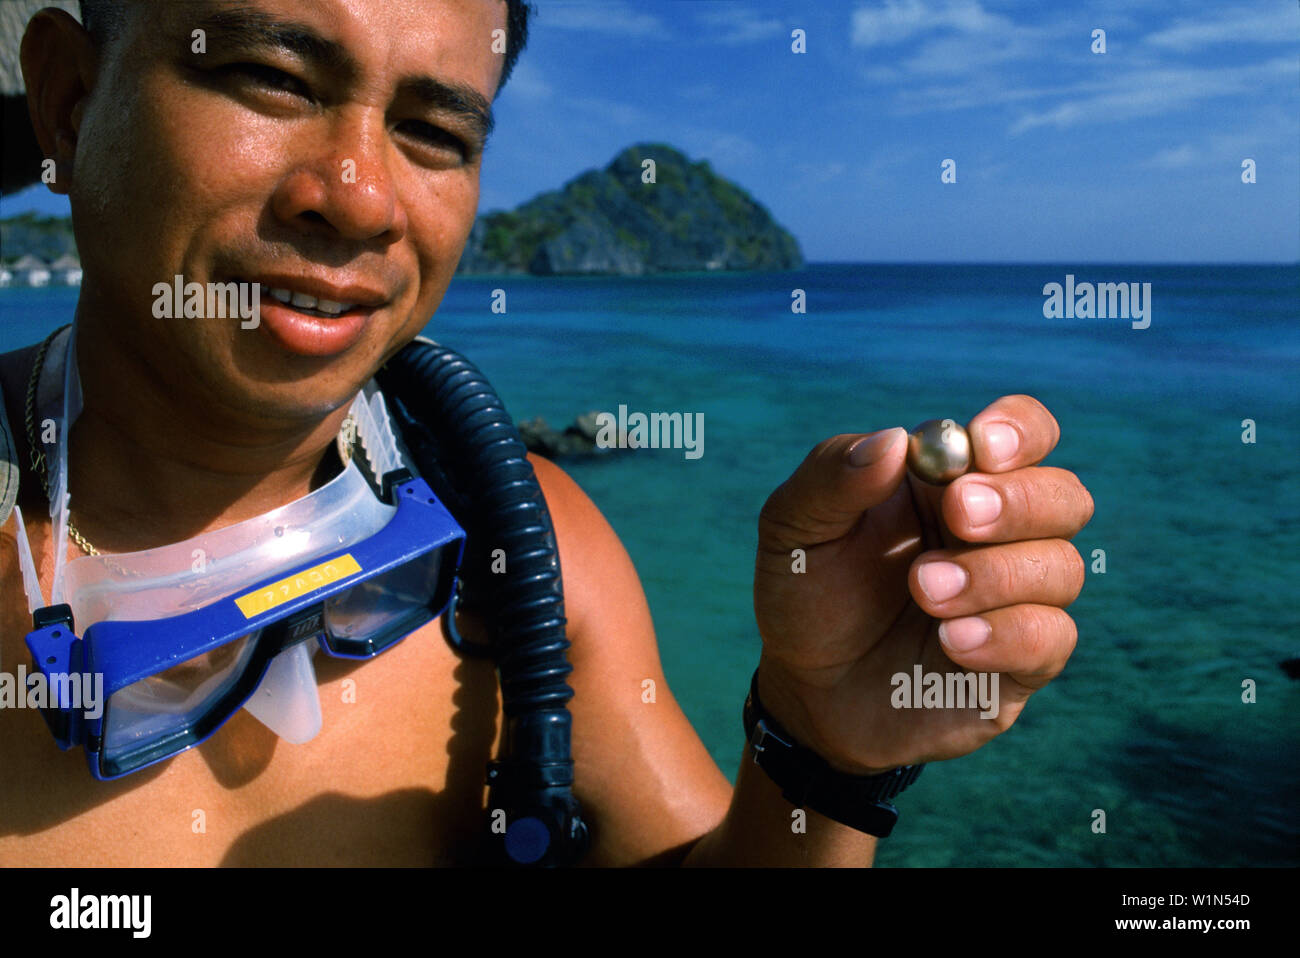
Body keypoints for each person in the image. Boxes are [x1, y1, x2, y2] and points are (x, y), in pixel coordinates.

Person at [0, 0, 1093, 866]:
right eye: (272, 79)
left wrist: (823, 747)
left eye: (433, 131)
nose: (360, 197)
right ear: (69, 100)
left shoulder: (533, 550)